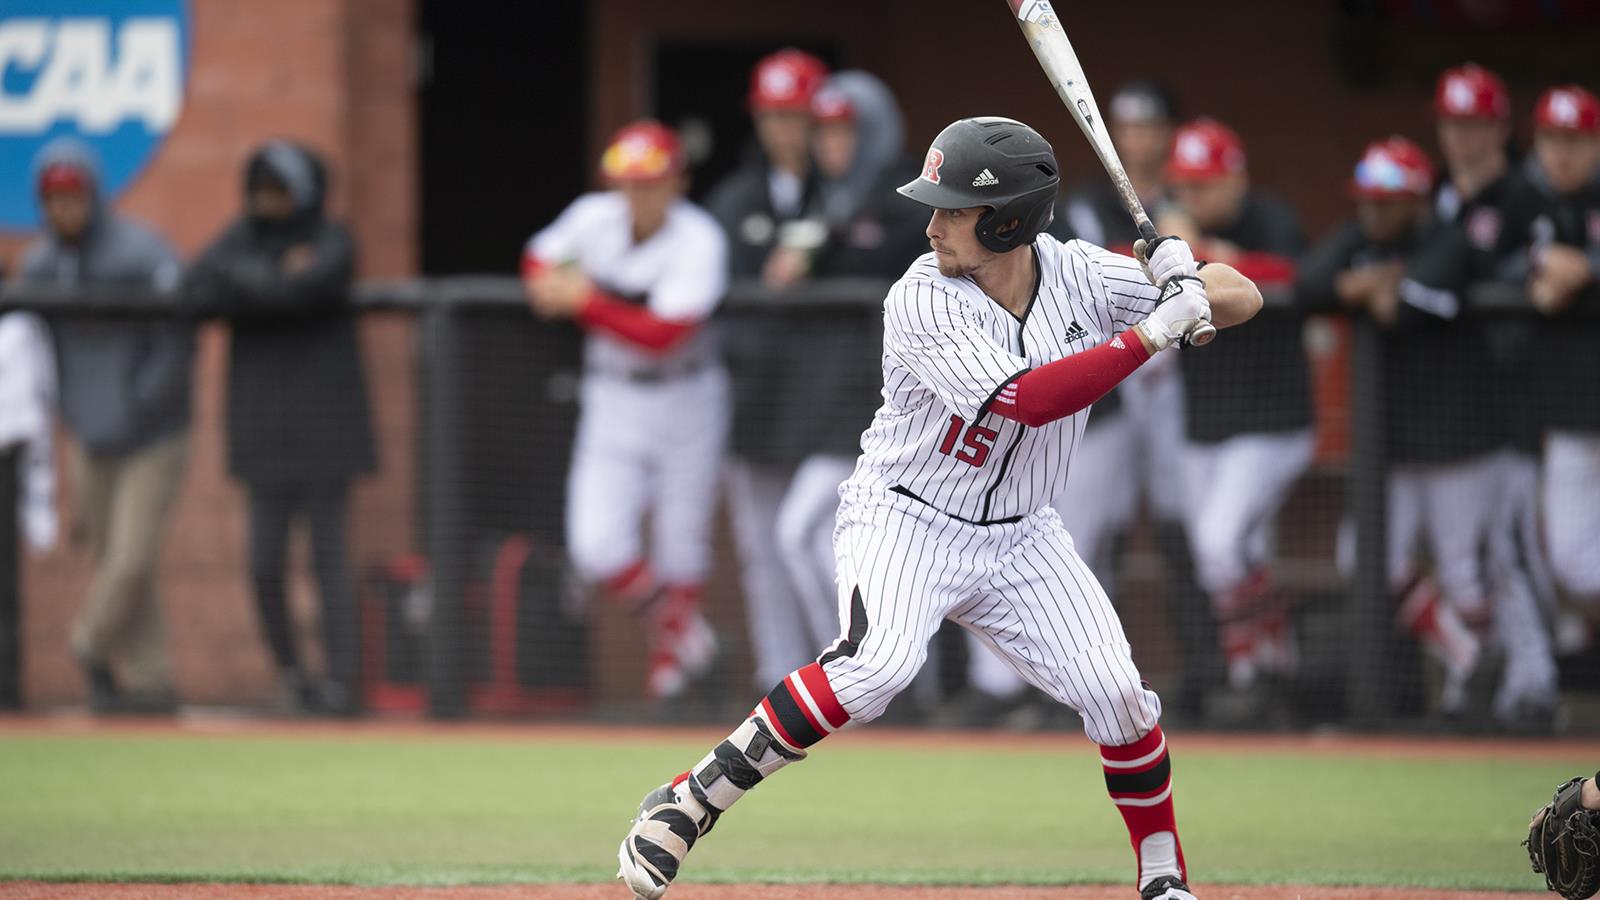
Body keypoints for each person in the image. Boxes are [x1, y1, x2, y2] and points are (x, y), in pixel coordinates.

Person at [616, 115, 1263, 900]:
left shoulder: (1082, 274)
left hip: (1023, 535)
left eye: (953, 210)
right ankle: (689, 802)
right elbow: (1027, 401)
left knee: (1119, 696)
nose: (932, 225)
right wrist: (1153, 332)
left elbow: (1244, 297)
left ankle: (1163, 875)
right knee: (876, 669)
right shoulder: (922, 297)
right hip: (907, 518)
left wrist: (1185, 274)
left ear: (1009, 217)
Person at [952, 80, 1221, 726]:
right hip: (1099, 395)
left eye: (1150, 126)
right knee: (1072, 536)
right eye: (1128, 128)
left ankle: (1204, 675)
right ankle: (1030, 691)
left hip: (1178, 397)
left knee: (1191, 536)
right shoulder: (1086, 207)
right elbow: (1067, 280)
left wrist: (1189, 266)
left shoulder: (1190, 199)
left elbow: (1240, 287)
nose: (1138, 139)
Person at [521, 120, 728, 700]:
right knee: (596, 544)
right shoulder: (593, 218)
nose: (637, 194)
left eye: (651, 182)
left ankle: (670, 672)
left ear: (677, 182)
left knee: (681, 541)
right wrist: (552, 284)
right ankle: (688, 636)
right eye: (627, 182)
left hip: (687, 393)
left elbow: (666, 331)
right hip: (611, 394)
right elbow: (537, 261)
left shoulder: (699, 238)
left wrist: (585, 300)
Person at [1296, 136, 1500, 716]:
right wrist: (1359, 285)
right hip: (1395, 442)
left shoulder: (1448, 238)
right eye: (1367, 199)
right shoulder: (1361, 239)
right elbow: (1309, 282)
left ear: (1417, 200)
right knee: (1360, 555)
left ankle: (1498, 696)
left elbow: (1403, 308)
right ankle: (1465, 657)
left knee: (1466, 571)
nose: (1373, 211)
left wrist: (1377, 288)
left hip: (1461, 437)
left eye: (1388, 201)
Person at [184, 141, 376, 716]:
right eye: (261, 192)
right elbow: (194, 286)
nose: (269, 204)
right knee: (264, 564)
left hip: (326, 432)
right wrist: (269, 276)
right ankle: (294, 676)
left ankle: (340, 682)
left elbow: (307, 287)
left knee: (328, 563)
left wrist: (249, 286)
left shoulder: (332, 237)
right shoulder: (238, 237)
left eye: (280, 192)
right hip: (261, 432)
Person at [15, 137, 190, 713]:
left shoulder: (142, 252)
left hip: (152, 436)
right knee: (115, 561)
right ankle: (151, 682)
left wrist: (145, 401)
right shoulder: (40, 265)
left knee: (131, 558)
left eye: (74, 198)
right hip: (87, 435)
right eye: (54, 200)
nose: (65, 210)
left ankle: (86, 642)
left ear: (95, 196)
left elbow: (178, 335)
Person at [771, 72, 926, 672]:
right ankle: (857, 669)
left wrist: (830, 244)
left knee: (832, 540)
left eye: (844, 131)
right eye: (823, 132)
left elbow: (897, 261)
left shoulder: (907, 192)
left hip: (898, 405)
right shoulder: (819, 198)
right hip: (837, 404)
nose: (831, 145)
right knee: (821, 542)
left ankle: (871, 672)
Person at [1158, 118, 1313, 693]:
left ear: (1234, 179)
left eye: (1204, 185)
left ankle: (1251, 674)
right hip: (1205, 423)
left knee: (1220, 544)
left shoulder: (1270, 218)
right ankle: (1268, 662)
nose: (1193, 197)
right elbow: (1118, 258)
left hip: (1272, 423)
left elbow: (1303, 275)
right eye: (1185, 186)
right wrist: (1191, 248)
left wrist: (1206, 253)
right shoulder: (1171, 229)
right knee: (1222, 555)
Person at [1432, 63, 1560, 726]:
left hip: (1520, 402)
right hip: (1460, 406)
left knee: (1519, 548)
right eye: (1453, 123)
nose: (1463, 137)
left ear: (1501, 128)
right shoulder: (1439, 196)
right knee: (1481, 555)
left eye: (1476, 124)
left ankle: (1536, 682)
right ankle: (1505, 678)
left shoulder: (1523, 196)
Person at [705, 48, 834, 692]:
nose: (784, 128)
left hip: (831, 397)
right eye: (772, 115)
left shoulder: (842, 191)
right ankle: (779, 677)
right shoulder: (734, 197)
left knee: (828, 541)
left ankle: (847, 680)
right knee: (763, 548)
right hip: (755, 391)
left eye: (796, 114)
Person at [1516, 86, 1600, 611]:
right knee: (1570, 559)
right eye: (1552, 138)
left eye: (1576, 139)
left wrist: (1587, 267)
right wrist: (1534, 266)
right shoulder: (1517, 197)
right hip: (1568, 407)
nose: (1563, 152)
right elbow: (1478, 258)